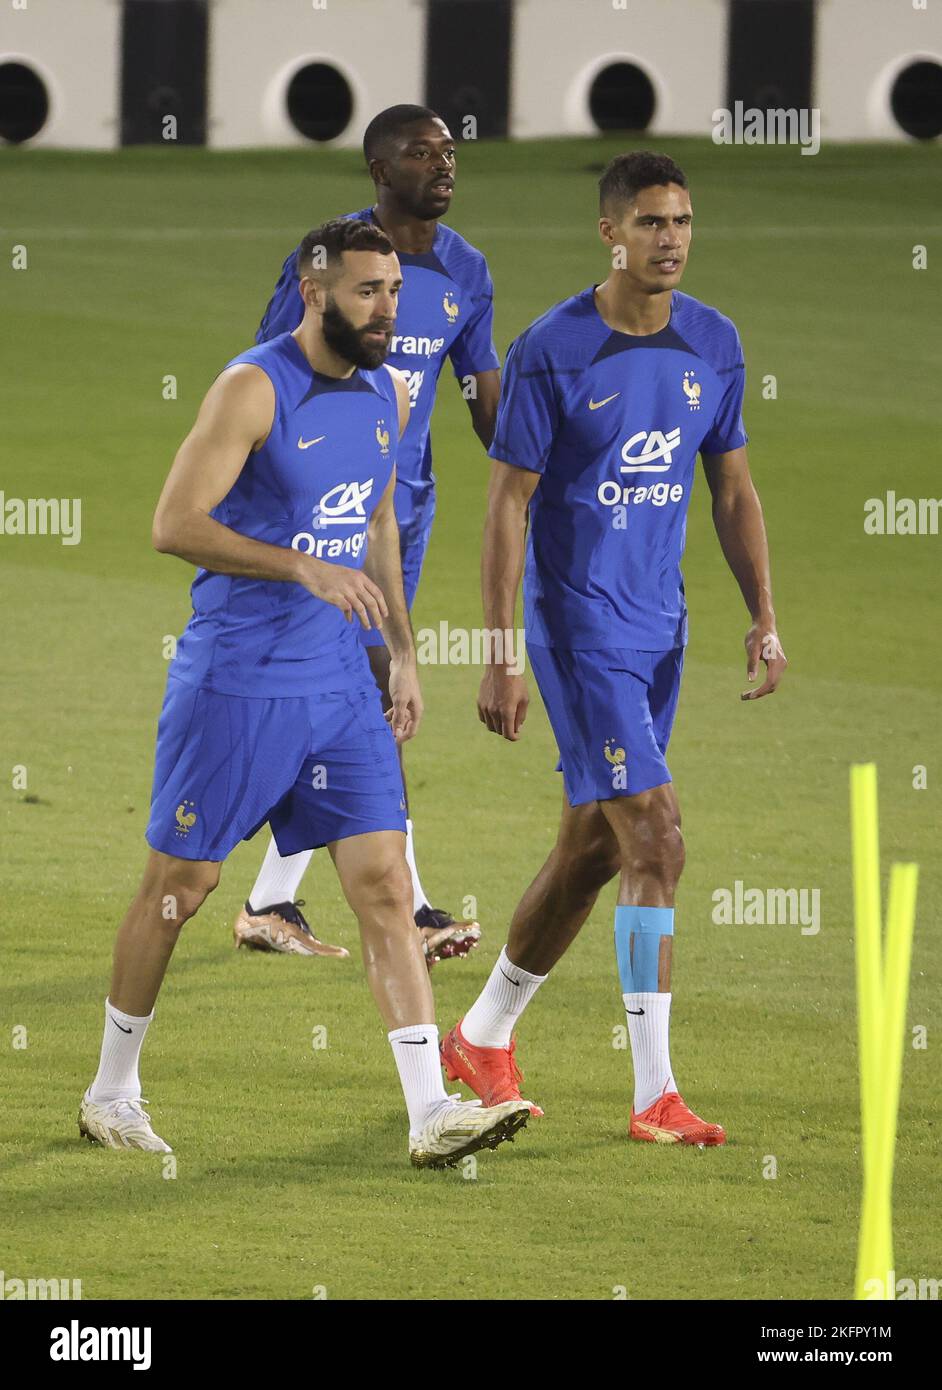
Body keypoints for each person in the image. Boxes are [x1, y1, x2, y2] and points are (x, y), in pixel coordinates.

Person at [78, 218, 529, 1167]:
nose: (388, 311)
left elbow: (373, 523)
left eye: (396, 291)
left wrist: (399, 649)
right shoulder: (254, 387)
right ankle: (111, 1091)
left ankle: (429, 1112)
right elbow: (173, 523)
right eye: (369, 291)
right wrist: (297, 568)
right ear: (316, 292)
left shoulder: (382, 396)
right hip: (238, 683)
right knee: (180, 890)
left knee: (385, 886)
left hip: (336, 684)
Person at [441, 152, 787, 1144]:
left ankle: (483, 1031)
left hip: (657, 625)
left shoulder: (714, 343)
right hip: (578, 629)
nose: (669, 238)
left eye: (681, 220)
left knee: (593, 847)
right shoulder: (552, 349)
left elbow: (732, 489)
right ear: (610, 233)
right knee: (659, 836)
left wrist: (763, 611)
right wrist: (503, 652)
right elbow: (507, 505)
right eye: (649, 222)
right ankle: (653, 1095)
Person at [236, 104, 500, 966]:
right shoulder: (326, 263)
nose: (443, 165)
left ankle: (272, 899)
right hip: (318, 517)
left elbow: (484, 399)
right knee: (360, 697)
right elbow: (269, 370)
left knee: (362, 700)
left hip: (398, 517)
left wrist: (549, 436)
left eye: (449, 151)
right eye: (422, 154)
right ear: (379, 170)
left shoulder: (467, 271)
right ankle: (408, 906)